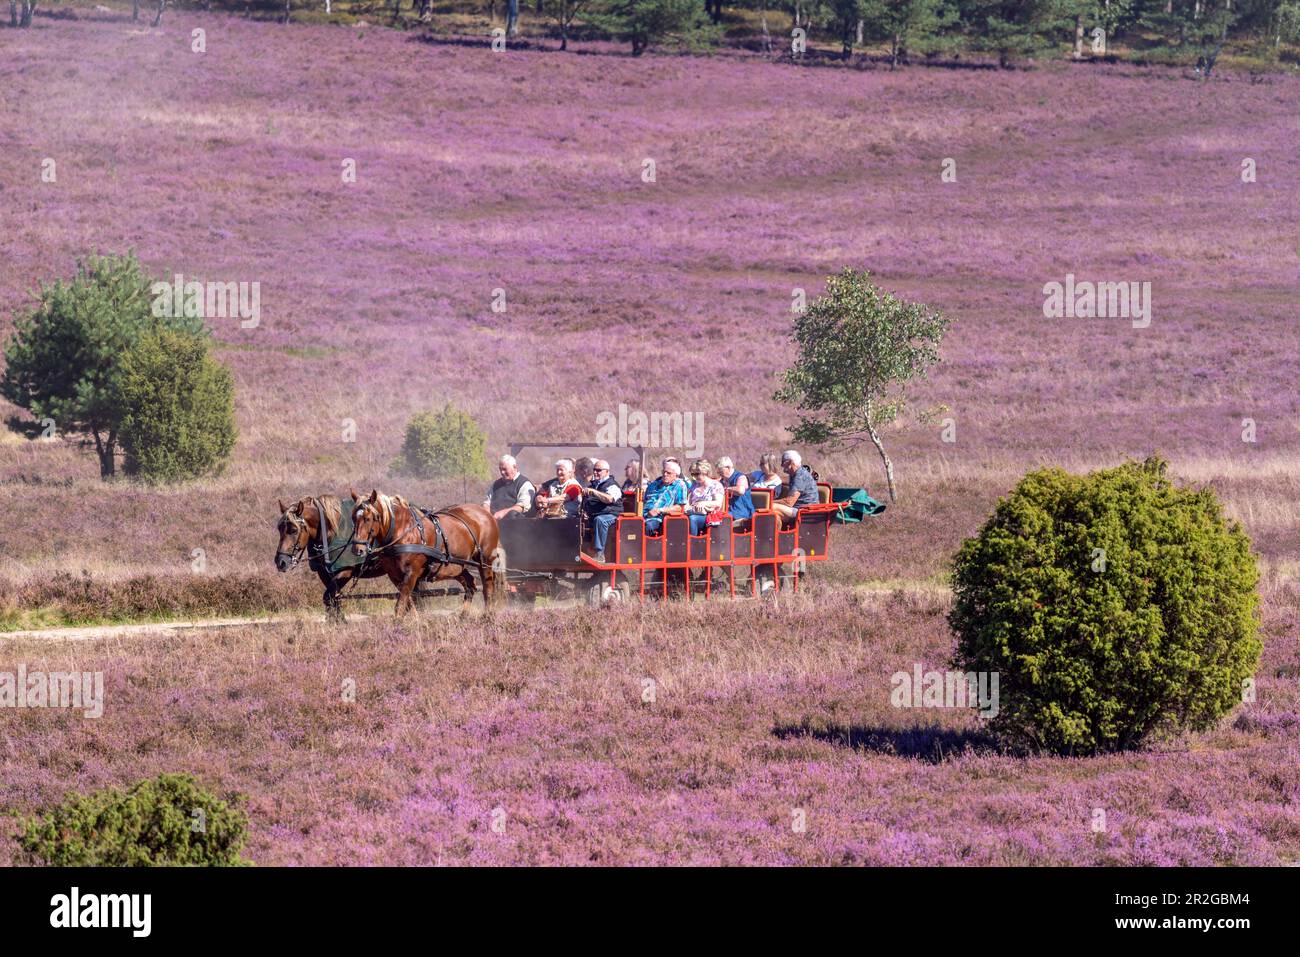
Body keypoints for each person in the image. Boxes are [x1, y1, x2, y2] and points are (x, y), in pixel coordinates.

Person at [581, 459, 623, 563]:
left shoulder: (612, 485)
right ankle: (582, 551)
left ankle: (599, 554)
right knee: (578, 521)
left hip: (612, 515)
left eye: (599, 470)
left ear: (607, 472)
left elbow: (609, 499)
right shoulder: (593, 485)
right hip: (595, 515)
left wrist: (594, 492)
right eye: (594, 470)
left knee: (600, 520)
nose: (595, 472)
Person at [771, 449, 819, 525]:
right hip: (799, 510)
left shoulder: (799, 476)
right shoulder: (796, 473)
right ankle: (776, 533)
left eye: (783, 462)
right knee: (775, 515)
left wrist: (768, 502)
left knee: (772, 507)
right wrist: (769, 478)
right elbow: (784, 480)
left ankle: (776, 534)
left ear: (789, 462)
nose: (781, 465)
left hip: (805, 512)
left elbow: (789, 502)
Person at [642, 459, 688, 535]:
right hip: (643, 516)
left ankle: (645, 546)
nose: (665, 474)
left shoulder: (680, 485)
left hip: (660, 519)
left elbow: (680, 507)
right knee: (629, 526)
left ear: (676, 475)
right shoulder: (653, 484)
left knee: (646, 527)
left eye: (668, 473)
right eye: (663, 472)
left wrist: (659, 510)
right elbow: (644, 501)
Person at [483, 454, 534, 521]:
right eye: (500, 469)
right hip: (493, 524)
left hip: (515, 525)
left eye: (504, 469)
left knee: (512, 514)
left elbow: (522, 506)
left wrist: (503, 513)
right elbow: (486, 504)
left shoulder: (524, 484)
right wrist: (489, 517)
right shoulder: (495, 484)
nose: (502, 472)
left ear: (515, 467)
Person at [684, 460, 725, 536]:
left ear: (705, 472)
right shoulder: (694, 486)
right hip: (693, 512)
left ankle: (693, 543)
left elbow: (718, 503)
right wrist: (687, 508)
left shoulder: (716, 485)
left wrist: (702, 503)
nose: (694, 477)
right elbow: (687, 502)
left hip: (709, 515)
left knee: (692, 519)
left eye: (697, 474)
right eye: (692, 474)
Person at [717, 456, 754, 525]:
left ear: (728, 468)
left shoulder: (741, 477)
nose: (719, 474)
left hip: (741, 511)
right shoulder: (722, 480)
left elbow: (740, 491)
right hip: (727, 511)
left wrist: (725, 489)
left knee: (719, 518)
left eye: (720, 471)